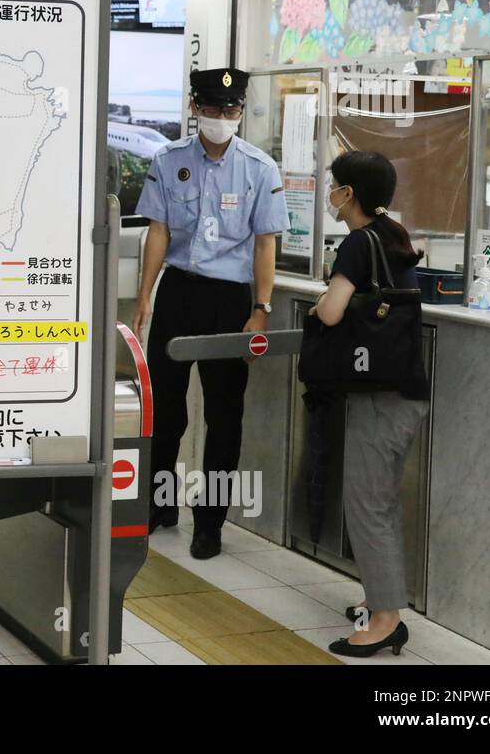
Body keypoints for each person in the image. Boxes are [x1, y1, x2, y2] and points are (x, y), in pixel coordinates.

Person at [133, 68, 290, 559]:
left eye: (231, 111)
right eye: (213, 109)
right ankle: (160, 505)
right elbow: (157, 232)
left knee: (225, 416)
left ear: (240, 111)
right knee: (165, 411)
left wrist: (260, 308)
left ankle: (210, 523)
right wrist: (145, 295)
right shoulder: (169, 159)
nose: (223, 119)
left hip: (229, 300)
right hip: (178, 294)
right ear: (195, 107)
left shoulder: (260, 169)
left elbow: (266, 243)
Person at [311, 150, 429, 659]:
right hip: (404, 389)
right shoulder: (392, 233)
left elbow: (333, 312)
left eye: (335, 185)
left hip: (379, 395)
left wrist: (320, 302)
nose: (330, 193)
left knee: (367, 504)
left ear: (350, 194)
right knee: (376, 500)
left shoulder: (359, 243)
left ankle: (386, 621)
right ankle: (376, 597)